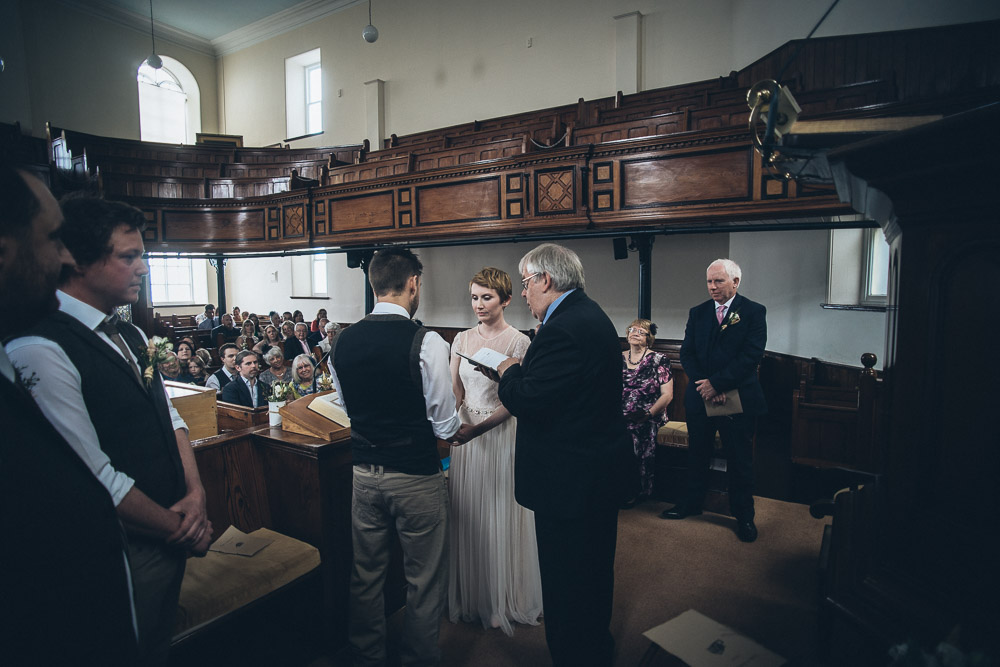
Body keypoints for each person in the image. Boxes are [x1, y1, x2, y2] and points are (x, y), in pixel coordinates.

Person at [7, 195, 212, 666]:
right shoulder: (41, 345)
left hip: (172, 529)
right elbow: (90, 475)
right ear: (76, 261)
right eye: (129, 256)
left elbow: (172, 417)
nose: (143, 268)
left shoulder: (132, 334)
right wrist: (181, 528)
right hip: (120, 547)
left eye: (143, 255)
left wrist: (196, 493)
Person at [1, 165, 138, 665]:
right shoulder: (41, 343)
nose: (62, 256)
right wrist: (170, 522)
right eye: (53, 238)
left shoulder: (126, 333)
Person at [329, 246, 471, 667]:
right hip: (414, 477)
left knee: (366, 573)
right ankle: (418, 659)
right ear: (412, 284)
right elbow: (444, 426)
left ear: (374, 284)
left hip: (363, 474)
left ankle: (367, 655)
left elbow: (344, 402)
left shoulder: (342, 340)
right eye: (419, 285)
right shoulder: (426, 341)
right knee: (423, 578)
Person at [493, 243, 630, 667]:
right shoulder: (589, 315)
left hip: (569, 481)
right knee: (592, 575)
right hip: (593, 471)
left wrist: (508, 371)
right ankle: (594, 650)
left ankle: (577, 656)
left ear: (545, 280)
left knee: (567, 582)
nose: (525, 293)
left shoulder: (562, 328)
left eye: (526, 283)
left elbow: (530, 400)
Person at [448, 267, 542, 636]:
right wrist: (450, 421)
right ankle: (472, 595)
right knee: (469, 512)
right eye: (474, 297)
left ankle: (502, 597)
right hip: (465, 435)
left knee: (500, 511)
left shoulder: (520, 343)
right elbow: (455, 388)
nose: (479, 305)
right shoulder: (461, 339)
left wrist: (479, 429)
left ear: (504, 299)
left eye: (486, 297)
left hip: (500, 433)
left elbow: (516, 401)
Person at [661, 258, 767, 543]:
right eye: (709, 281)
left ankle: (744, 516)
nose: (712, 287)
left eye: (718, 281)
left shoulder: (754, 312)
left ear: (736, 282)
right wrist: (704, 386)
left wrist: (718, 384)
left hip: (738, 397)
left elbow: (751, 354)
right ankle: (691, 504)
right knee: (697, 454)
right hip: (701, 396)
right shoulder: (698, 313)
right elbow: (688, 353)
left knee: (739, 460)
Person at [621, 318, 673, 507]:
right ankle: (615, 487)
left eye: (641, 331)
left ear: (649, 338)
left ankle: (634, 490)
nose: (635, 332)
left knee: (632, 436)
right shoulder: (618, 357)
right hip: (621, 415)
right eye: (632, 329)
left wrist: (648, 414)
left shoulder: (659, 360)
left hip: (648, 417)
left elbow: (667, 395)